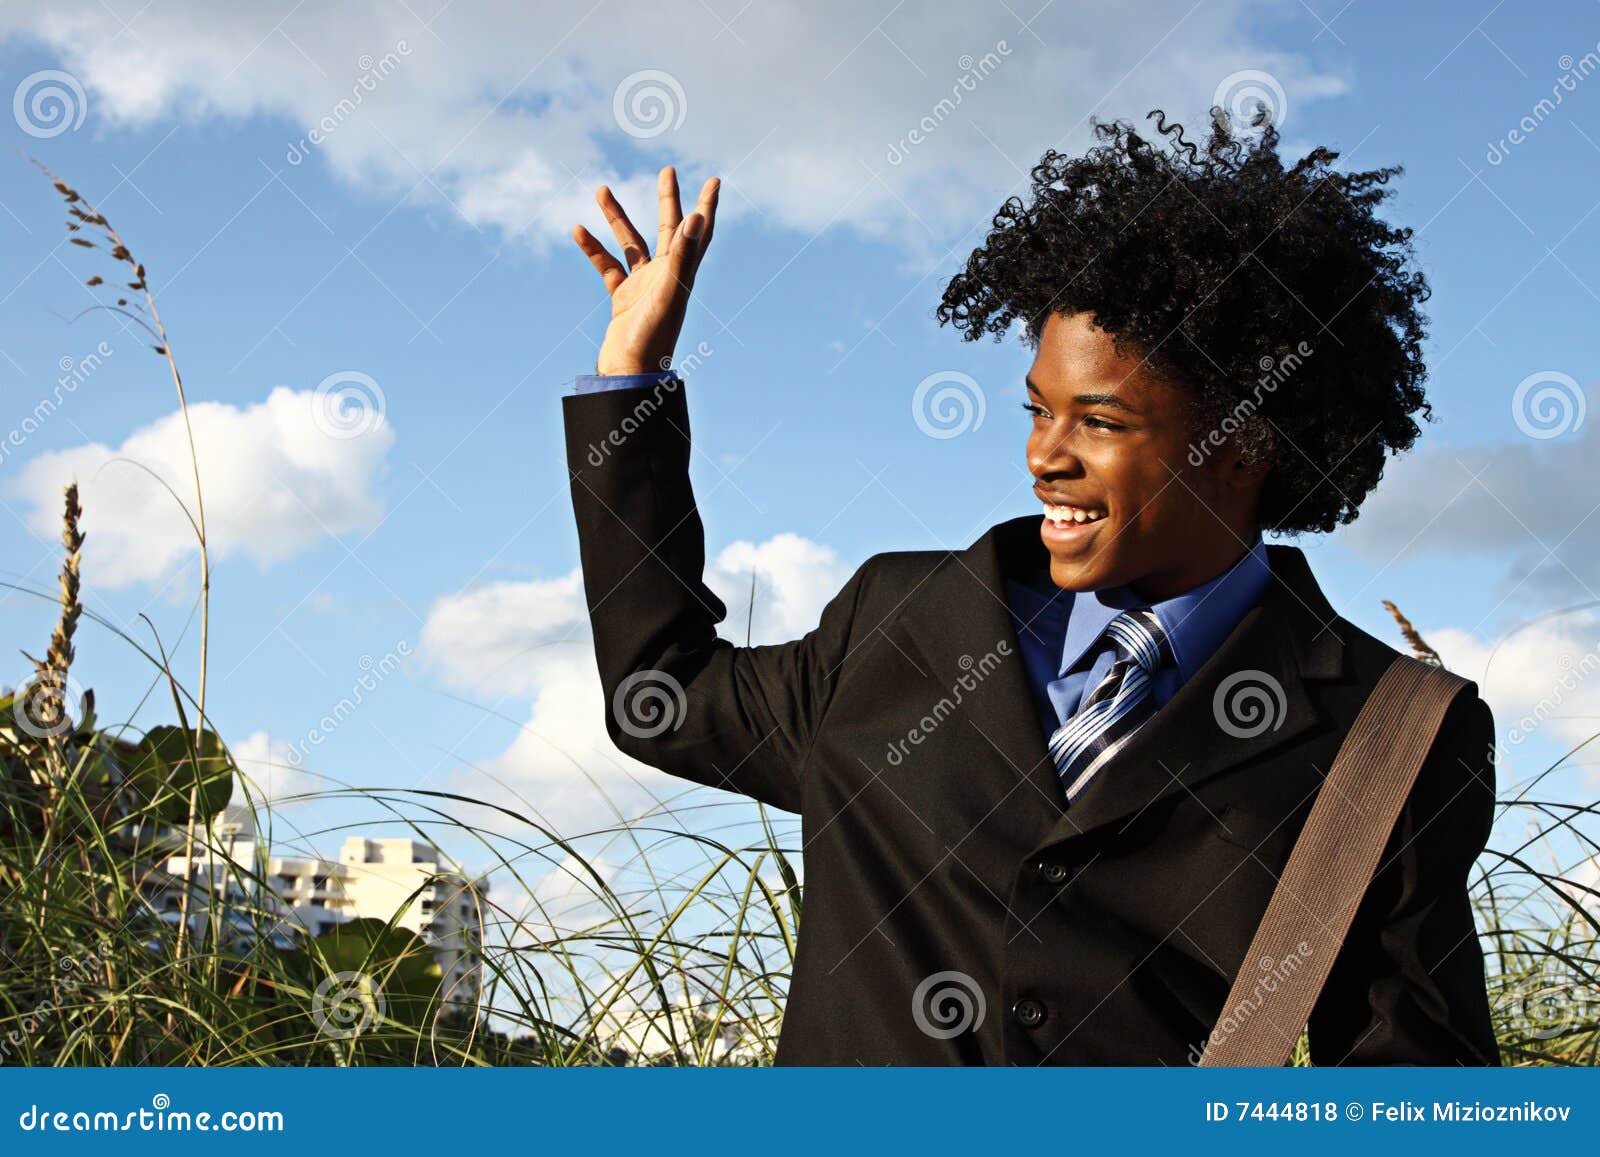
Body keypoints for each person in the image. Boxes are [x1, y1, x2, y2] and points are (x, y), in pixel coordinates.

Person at [560, 109, 1500, 1065]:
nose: (1043, 456)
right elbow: (662, 697)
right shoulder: (898, 619)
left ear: (1246, 444)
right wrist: (629, 381)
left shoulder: (1389, 737)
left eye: (1099, 421)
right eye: (1037, 409)